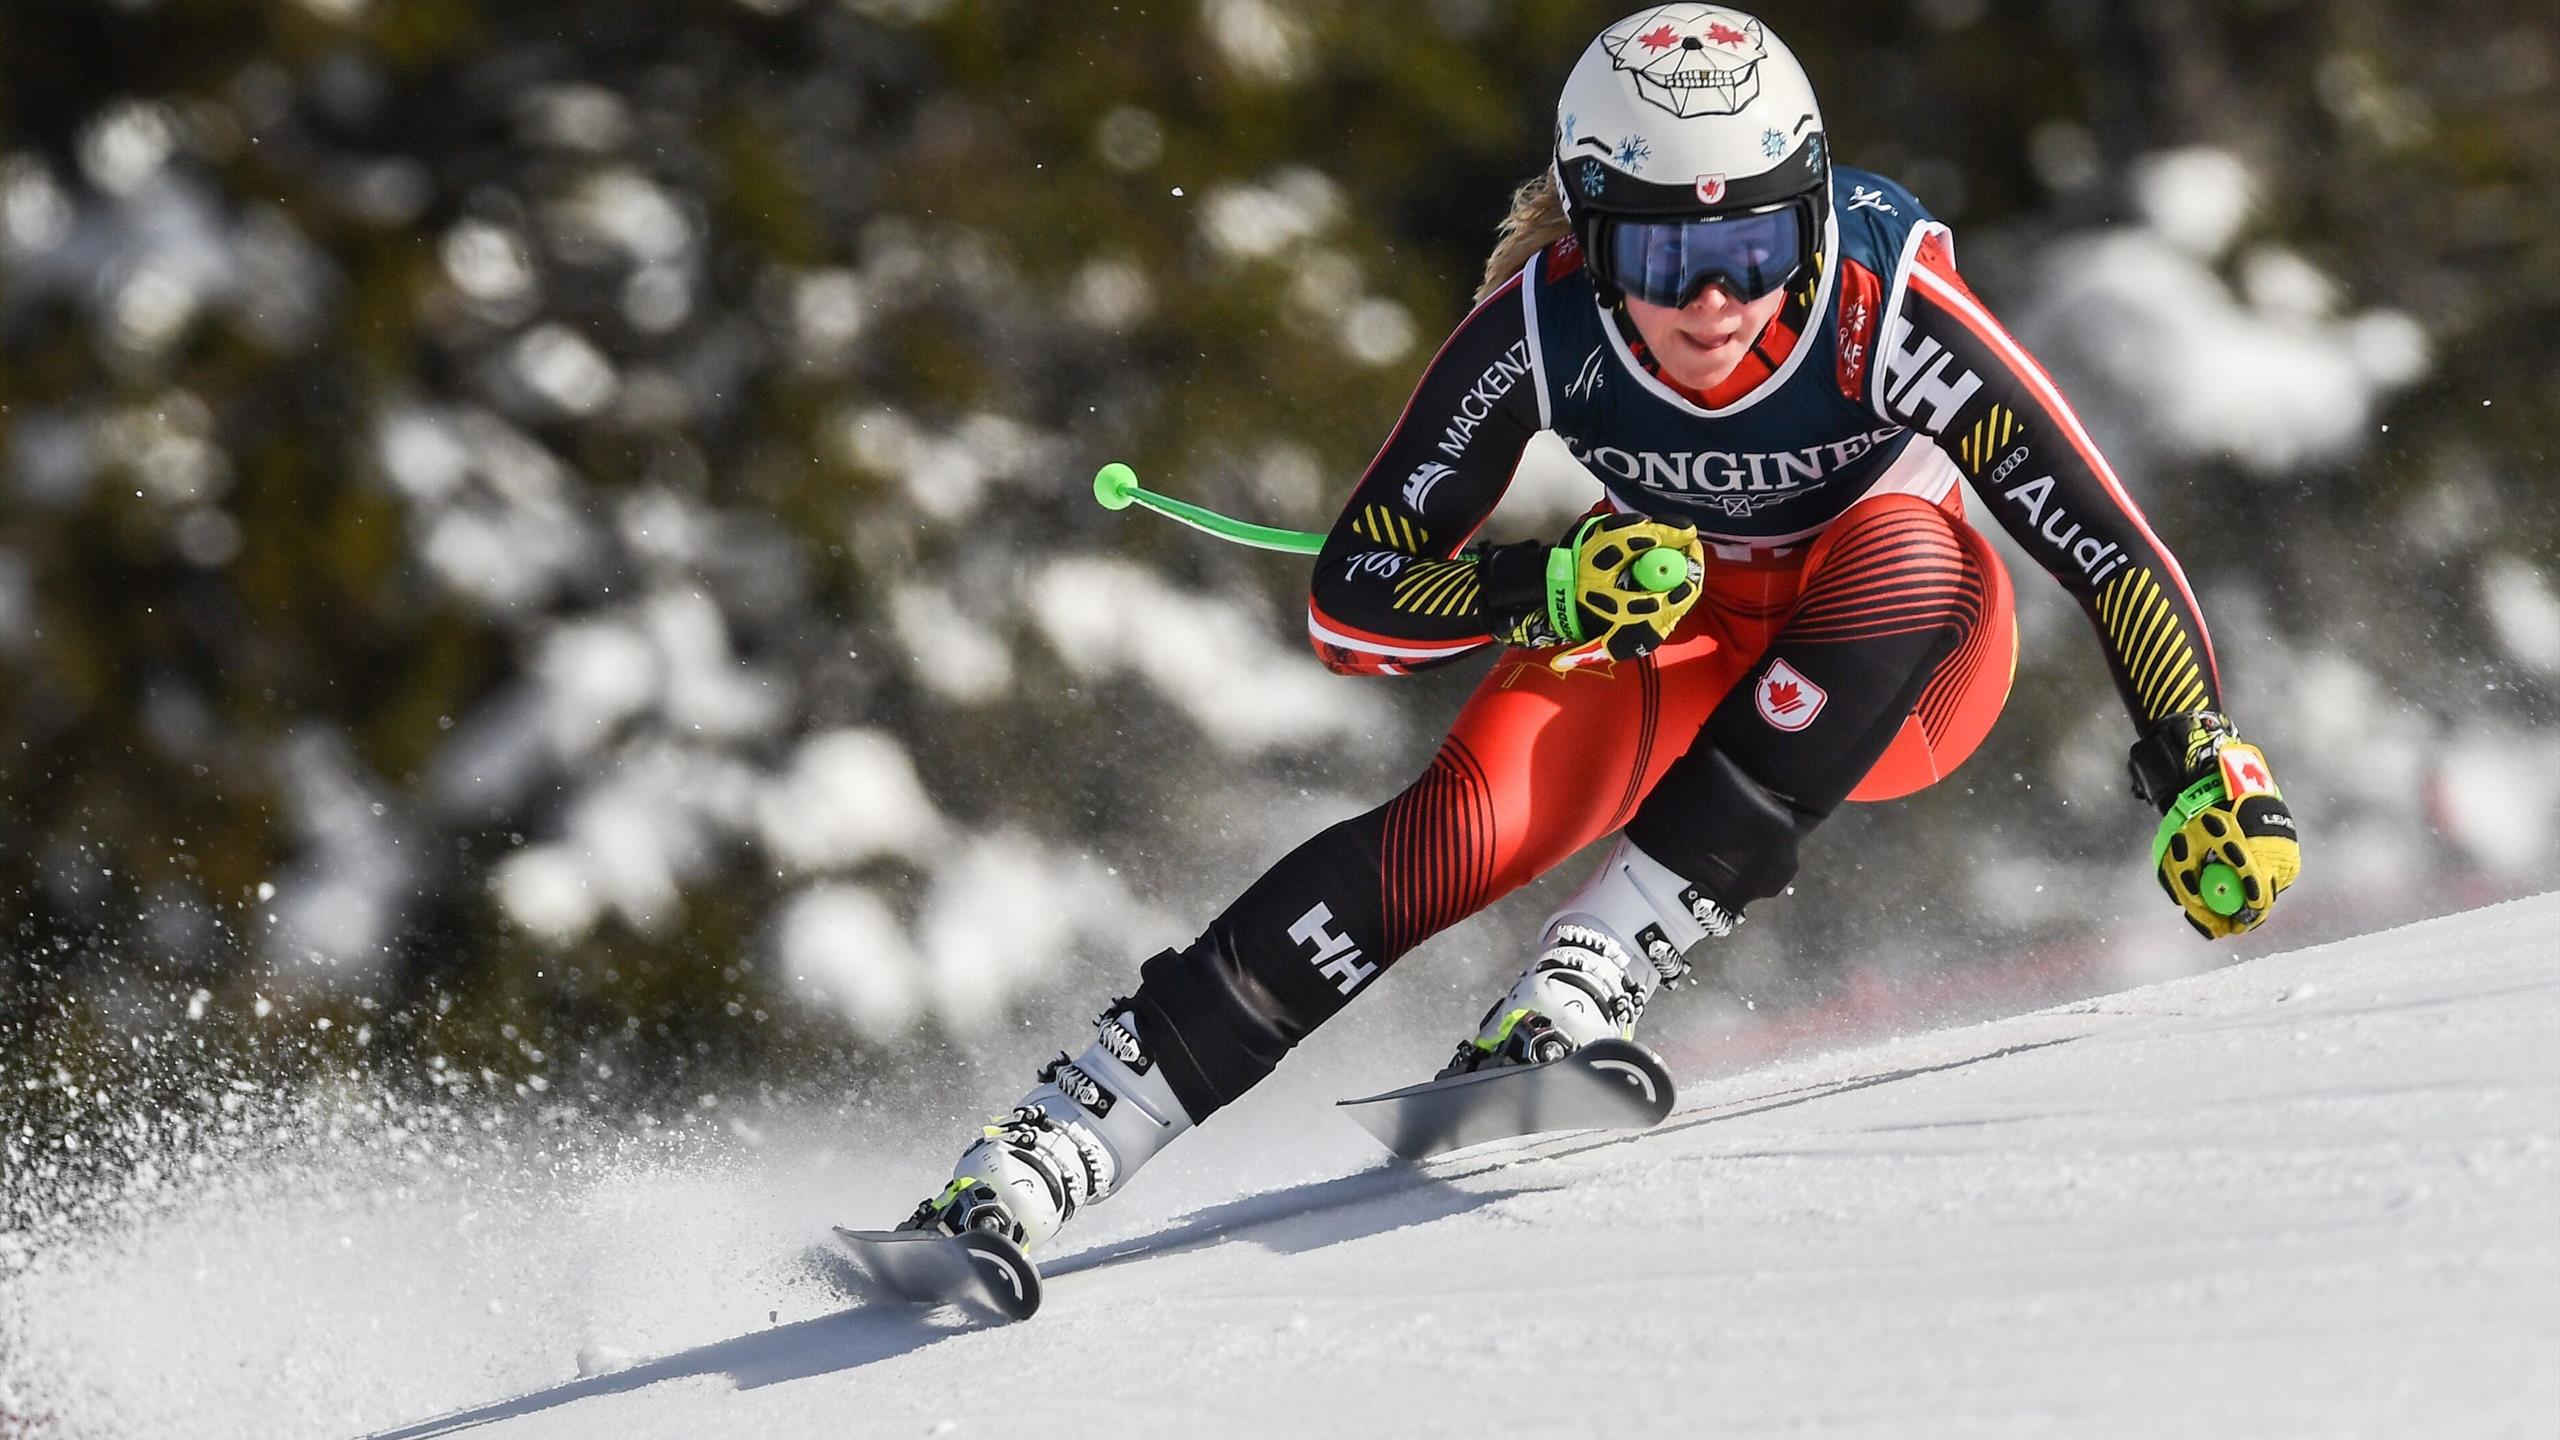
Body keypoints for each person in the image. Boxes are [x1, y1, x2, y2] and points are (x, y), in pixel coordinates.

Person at [898, 4, 2301, 1250]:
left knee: (1909, 541)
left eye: (1752, 245)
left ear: (1809, 216)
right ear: (1585, 233)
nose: (1712, 301)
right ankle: (1060, 1142)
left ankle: (1593, 966)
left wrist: (2196, 755)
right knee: (1455, 827)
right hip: (1673, 643)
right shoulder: (1541, 325)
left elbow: (2100, 542)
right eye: (1664, 252)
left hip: (1899, 669)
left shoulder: (1888, 304)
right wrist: (1545, 588)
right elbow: (1352, 598)